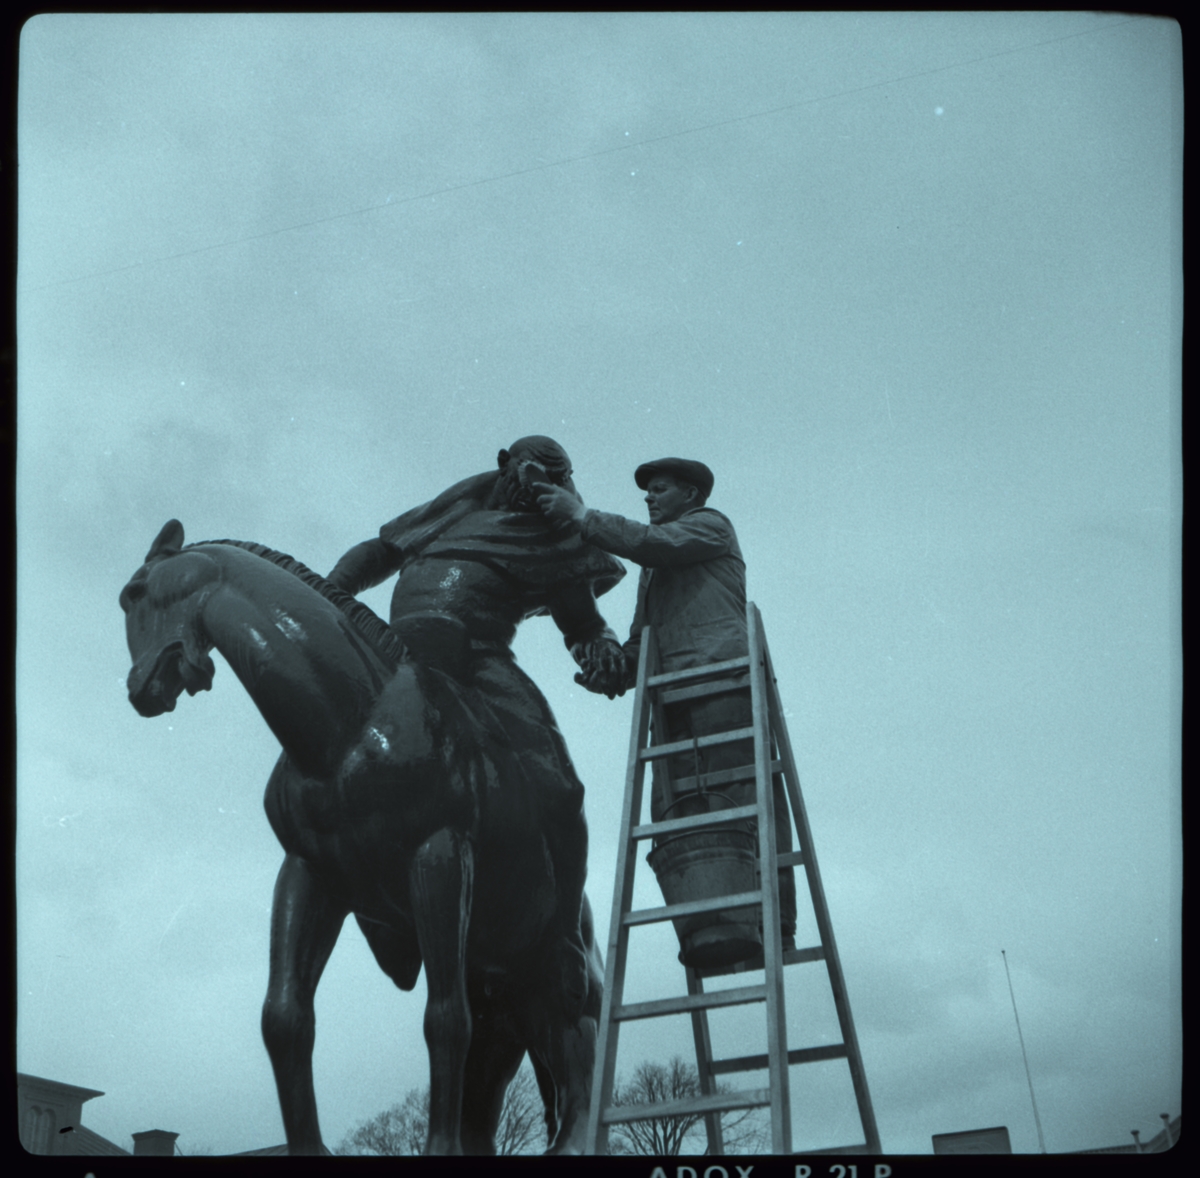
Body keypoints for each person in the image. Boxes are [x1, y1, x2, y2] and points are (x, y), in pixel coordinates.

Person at [326, 436, 628, 1011]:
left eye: (551, 478)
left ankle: (564, 933)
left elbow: (582, 622)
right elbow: (378, 551)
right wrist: (333, 592)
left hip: (480, 659)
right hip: (394, 653)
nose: (535, 485)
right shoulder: (455, 505)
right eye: (528, 471)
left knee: (562, 789)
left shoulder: (553, 531)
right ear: (504, 464)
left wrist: (602, 649)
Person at [534, 457, 797, 949]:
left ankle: (772, 921)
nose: (650, 498)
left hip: (720, 681)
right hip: (671, 694)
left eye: (659, 490)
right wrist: (613, 671)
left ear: (691, 496)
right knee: (675, 807)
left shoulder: (710, 527)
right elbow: (643, 639)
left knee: (741, 796)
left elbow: (650, 542)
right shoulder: (654, 571)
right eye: (648, 493)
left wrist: (581, 517)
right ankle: (712, 923)